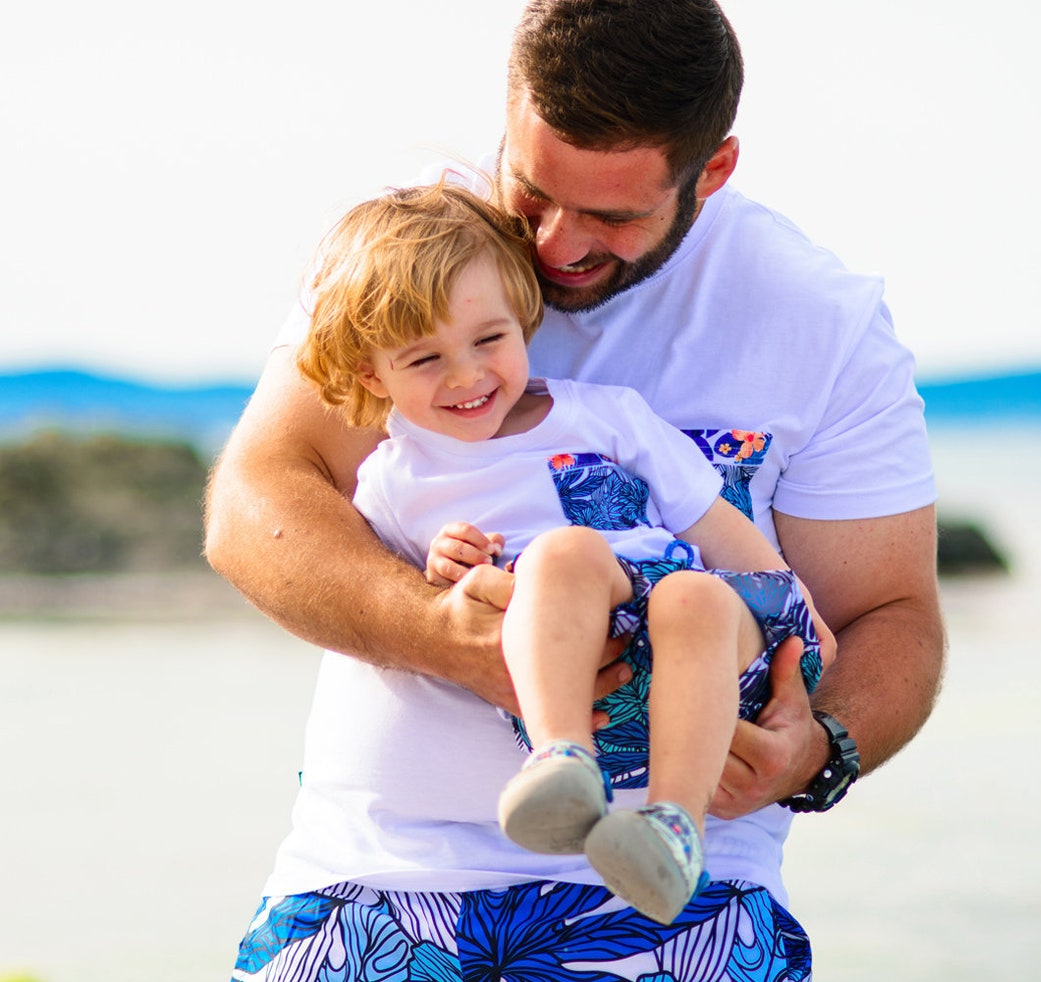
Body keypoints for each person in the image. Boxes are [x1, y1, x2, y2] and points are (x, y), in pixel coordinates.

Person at [208, 1, 944, 978]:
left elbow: (892, 613)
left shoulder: (822, 324)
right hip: (370, 881)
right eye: (532, 189)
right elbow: (257, 504)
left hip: (687, 911)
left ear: (711, 172)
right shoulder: (409, 256)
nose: (553, 245)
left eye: (612, 215)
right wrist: (449, 636)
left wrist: (821, 749)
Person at [291, 181, 836, 926]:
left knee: (691, 593)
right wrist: (446, 569)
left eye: (489, 340)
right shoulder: (394, 480)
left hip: (698, 642)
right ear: (370, 375)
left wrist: (808, 625)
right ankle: (563, 765)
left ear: (522, 319)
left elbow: (716, 526)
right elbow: (398, 600)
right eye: (424, 360)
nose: (466, 375)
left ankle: (674, 829)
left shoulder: (601, 414)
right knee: (560, 557)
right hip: (564, 662)